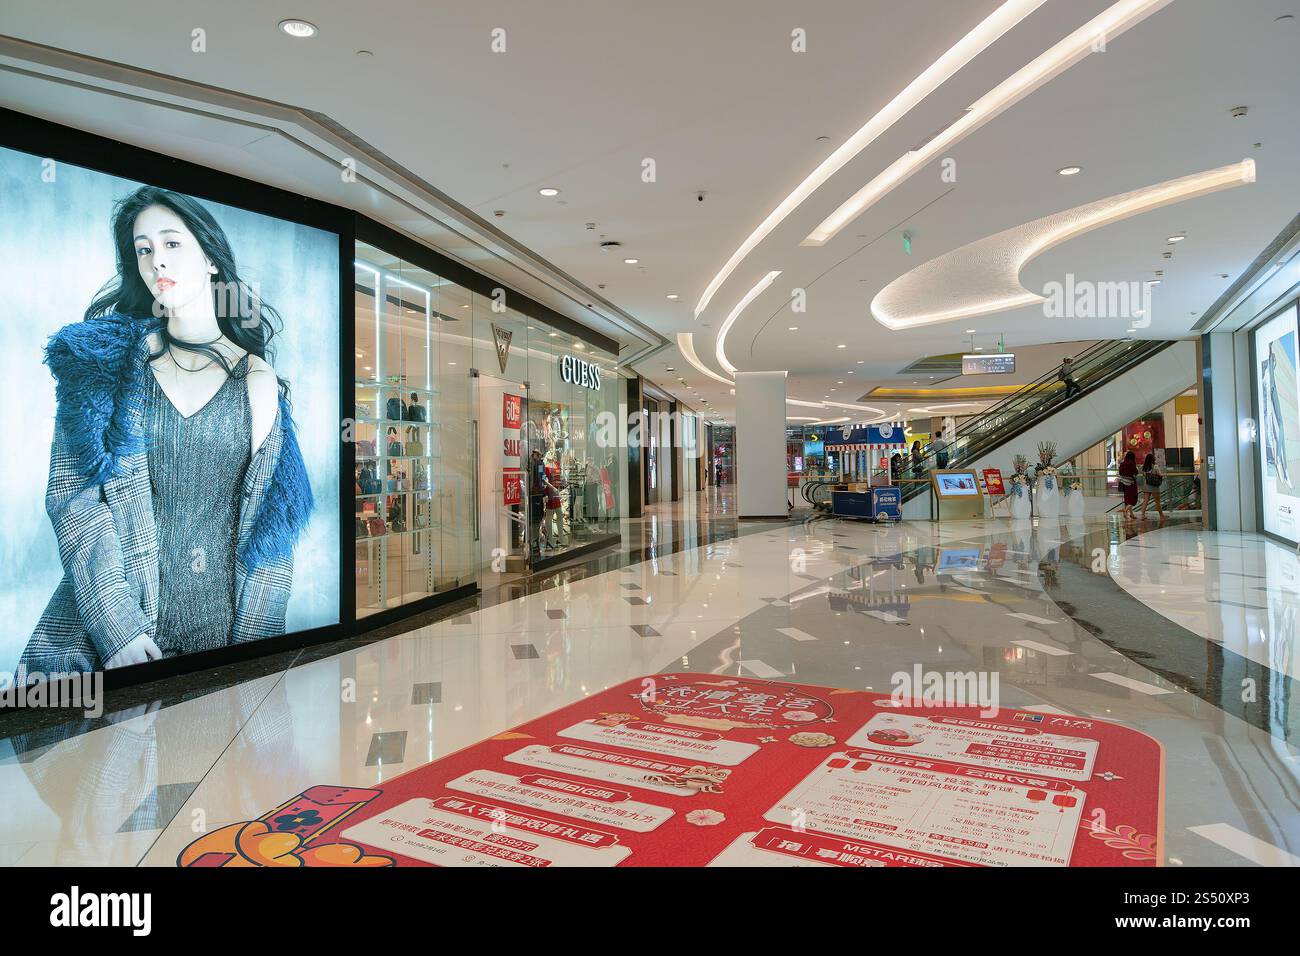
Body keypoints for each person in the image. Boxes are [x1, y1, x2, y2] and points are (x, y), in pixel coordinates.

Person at [21, 185, 313, 676]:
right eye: (144, 249)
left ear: (210, 259)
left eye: (172, 244)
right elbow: (73, 498)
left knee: (226, 755)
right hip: (106, 647)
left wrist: (255, 662)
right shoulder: (104, 364)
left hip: (220, 647)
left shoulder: (256, 380)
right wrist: (119, 631)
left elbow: (269, 541)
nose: (157, 260)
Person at [1140, 452, 1166, 519]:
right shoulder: (1155, 466)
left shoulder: (1143, 467)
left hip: (1146, 485)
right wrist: (1163, 475)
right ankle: (1161, 516)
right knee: (1157, 502)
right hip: (1154, 486)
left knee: (1145, 500)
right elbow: (1159, 475)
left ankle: (1142, 515)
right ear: (1152, 459)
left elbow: (1144, 475)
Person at [1117, 450, 1139, 519]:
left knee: (1127, 499)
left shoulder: (1122, 463)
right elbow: (1135, 472)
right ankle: (1125, 510)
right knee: (1133, 499)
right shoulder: (1131, 464)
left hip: (1124, 483)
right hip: (1131, 483)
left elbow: (1120, 472)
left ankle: (1131, 514)